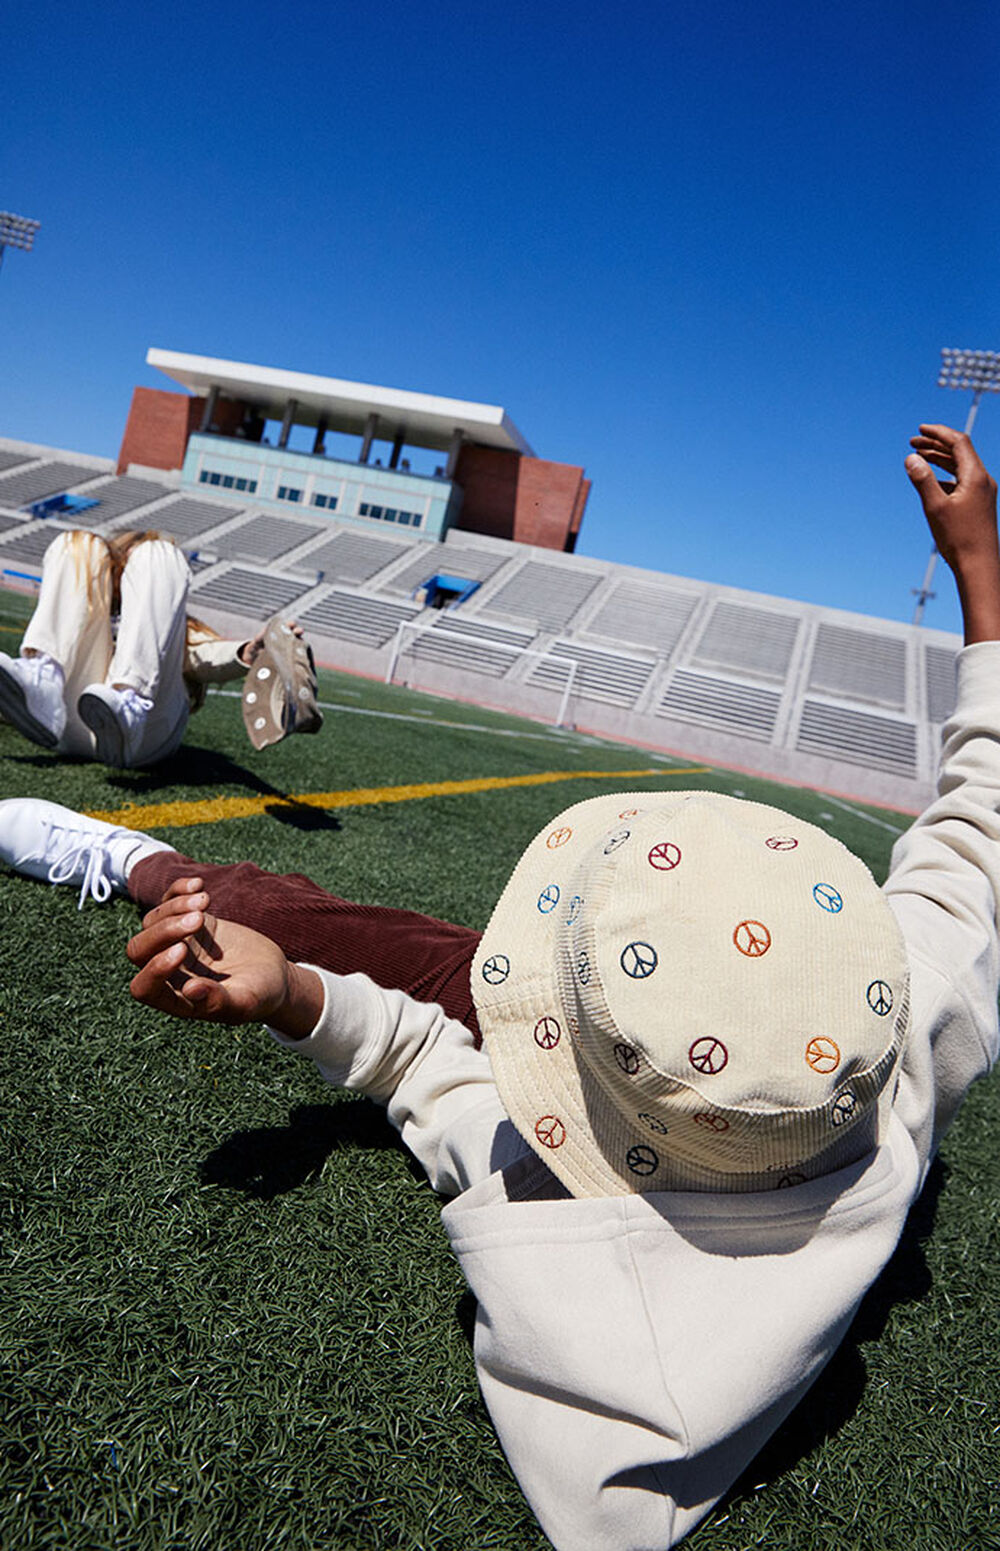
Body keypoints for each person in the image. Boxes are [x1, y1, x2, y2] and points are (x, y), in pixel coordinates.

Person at [0, 422, 996, 1548]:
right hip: (660, 1050)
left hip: (626, 1059)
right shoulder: (902, 1026)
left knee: (294, 922)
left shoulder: (598, 1309)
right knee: (344, 941)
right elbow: (978, 824)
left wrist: (298, 997)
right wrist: (978, 568)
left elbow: (436, 1074)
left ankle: (128, 854)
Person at [0, 528, 320, 767]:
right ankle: (43, 680)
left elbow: (202, 656)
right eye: (126, 561)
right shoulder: (87, 612)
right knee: (76, 542)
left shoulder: (176, 625)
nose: (133, 568)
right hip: (67, 725)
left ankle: (130, 702)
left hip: (143, 735)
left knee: (161, 552)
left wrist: (246, 652)